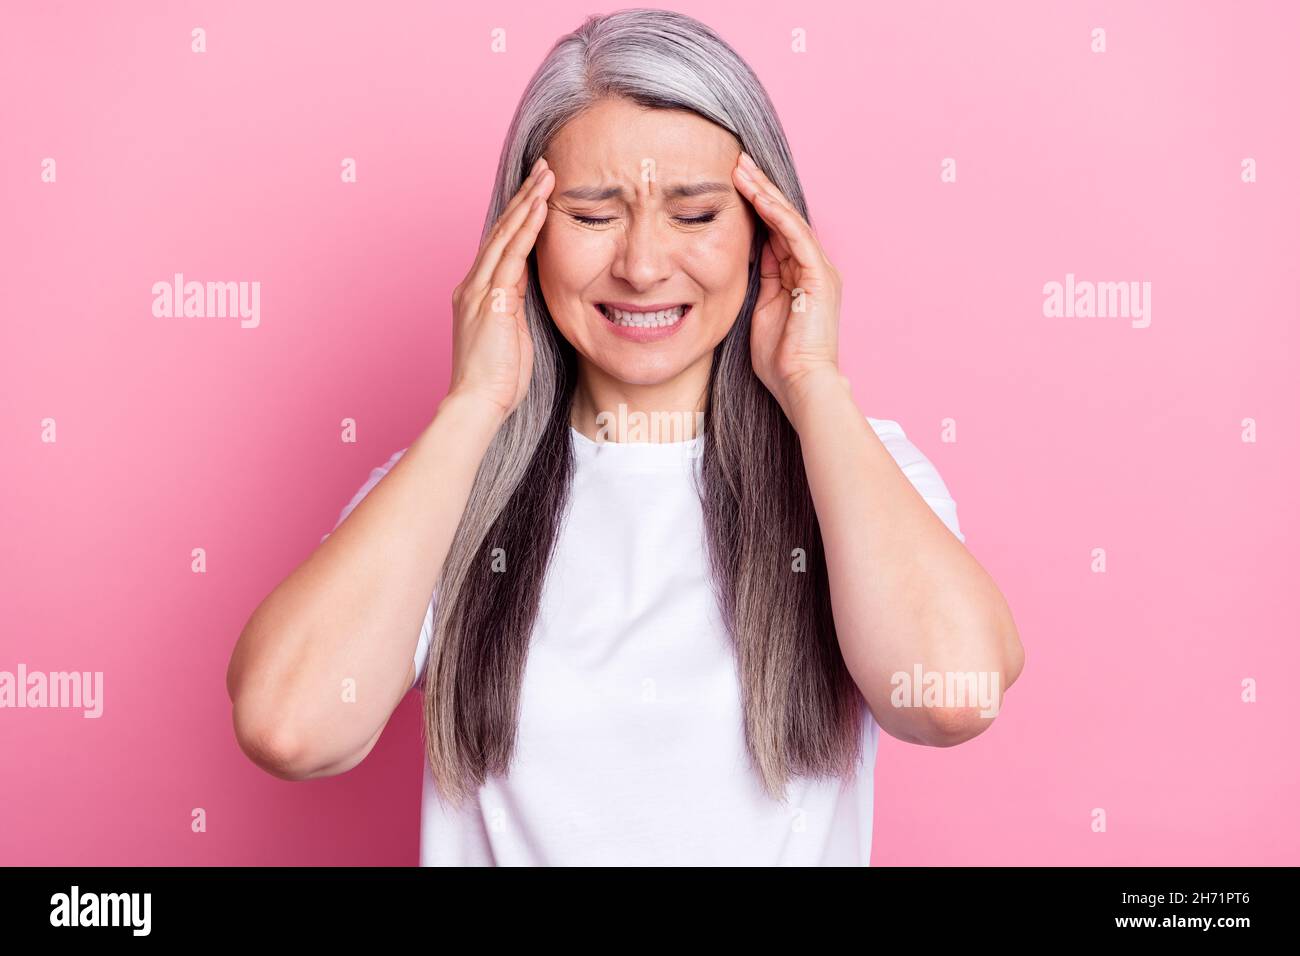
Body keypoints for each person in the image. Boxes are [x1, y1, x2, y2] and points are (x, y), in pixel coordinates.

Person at [227, 8, 1024, 866]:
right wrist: (473, 404)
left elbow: (951, 698)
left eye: (695, 214)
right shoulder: (440, 488)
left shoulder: (858, 471)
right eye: (593, 214)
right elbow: (288, 725)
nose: (643, 266)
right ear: (521, 240)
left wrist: (813, 382)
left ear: (768, 235)